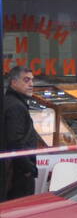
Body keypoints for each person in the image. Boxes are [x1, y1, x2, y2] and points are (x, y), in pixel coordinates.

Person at [2, 66, 42, 200]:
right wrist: (28, 169)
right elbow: (15, 142)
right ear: (13, 82)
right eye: (26, 80)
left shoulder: (11, 102)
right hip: (17, 174)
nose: (31, 84)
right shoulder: (16, 107)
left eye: (32, 80)